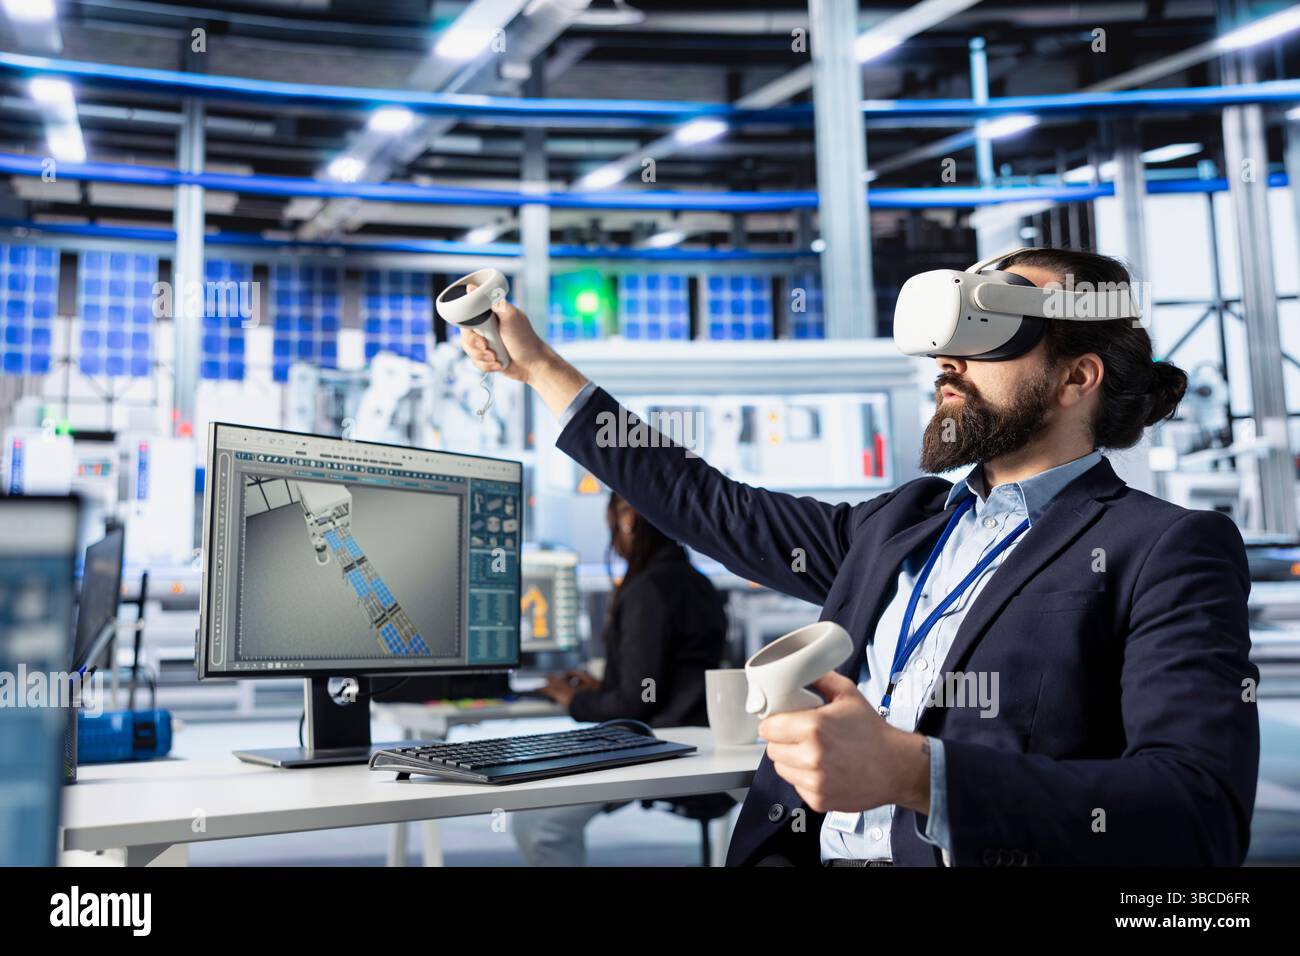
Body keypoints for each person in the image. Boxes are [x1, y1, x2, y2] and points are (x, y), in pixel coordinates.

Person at [463, 246, 1259, 867]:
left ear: (1075, 378)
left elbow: (1196, 814)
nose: (949, 360)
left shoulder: (1162, 547)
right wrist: (536, 365)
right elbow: (701, 499)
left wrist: (917, 774)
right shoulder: (902, 524)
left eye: (991, 333)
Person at [511, 492, 727, 866]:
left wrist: (572, 699)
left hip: (660, 744)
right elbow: (664, 678)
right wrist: (604, 689)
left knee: (539, 823)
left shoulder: (648, 590)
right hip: (701, 738)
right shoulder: (694, 580)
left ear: (627, 521)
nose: (612, 537)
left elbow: (636, 704)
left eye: (612, 523)